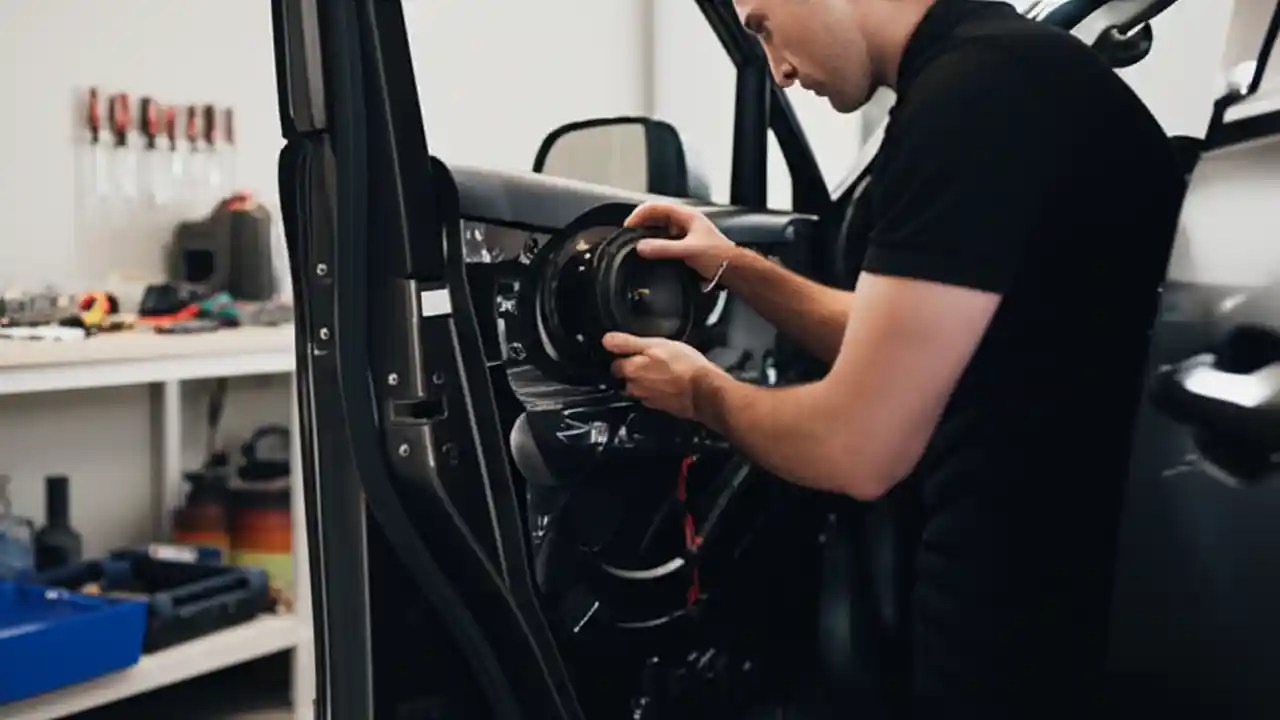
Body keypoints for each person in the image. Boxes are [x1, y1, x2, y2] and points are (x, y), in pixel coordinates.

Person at [602, 0, 1186, 716]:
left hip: (1022, 616)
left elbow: (856, 446)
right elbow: (911, 339)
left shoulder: (974, 98)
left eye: (762, 25)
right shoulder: (1006, 72)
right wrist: (735, 267)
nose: (777, 70)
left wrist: (702, 394)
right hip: (1062, 584)